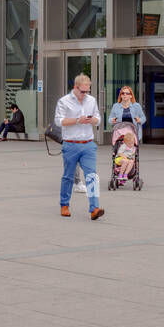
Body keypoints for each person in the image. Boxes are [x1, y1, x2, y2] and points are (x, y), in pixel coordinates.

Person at [54, 74, 104, 219]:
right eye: (82, 91)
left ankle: (94, 208)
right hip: (71, 144)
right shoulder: (64, 101)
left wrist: (93, 120)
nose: (85, 94)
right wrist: (77, 120)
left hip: (88, 144)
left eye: (87, 91)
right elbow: (59, 121)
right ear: (75, 88)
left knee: (92, 176)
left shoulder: (91, 100)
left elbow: (98, 119)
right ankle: (64, 205)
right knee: (68, 177)